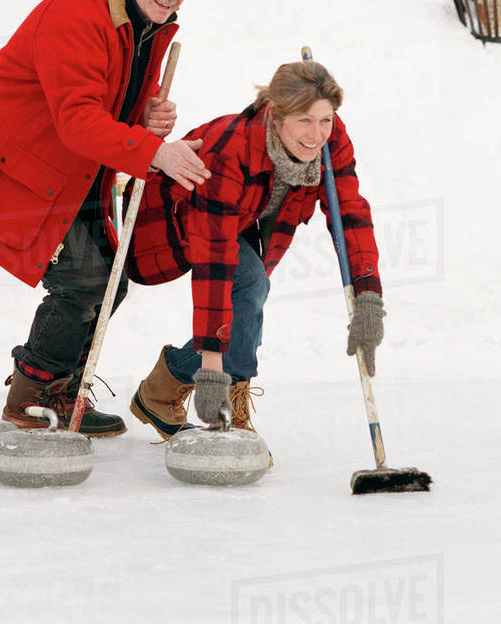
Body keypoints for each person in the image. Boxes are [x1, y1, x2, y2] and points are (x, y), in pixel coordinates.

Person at [0, 0, 210, 436]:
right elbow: (78, 117)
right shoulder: (79, 14)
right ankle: (29, 400)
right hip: (13, 165)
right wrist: (154, 151)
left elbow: (102, 105)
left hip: (72, 167)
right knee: (82, 280)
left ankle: (62, 392)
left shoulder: (145, 22)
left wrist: (141, 119)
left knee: (110, 282)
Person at [127, 58, 384, 441]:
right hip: (179, 211)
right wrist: (211, 370)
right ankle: (230, 409)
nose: (316, 134)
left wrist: (368, 296)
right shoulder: (229, 151)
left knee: (246, 303)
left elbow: (350, 212)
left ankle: (161, 389)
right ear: (276, 117)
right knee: (249, 285)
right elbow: (214, 264)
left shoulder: (330, 141)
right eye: (304, 120)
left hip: (248, 214)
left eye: (325, 120)